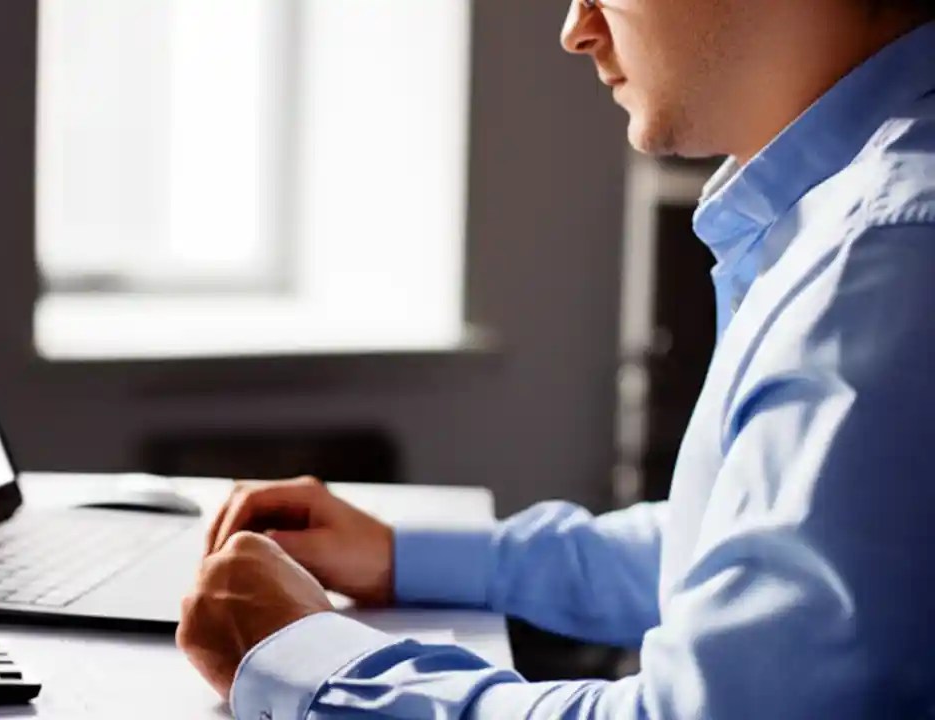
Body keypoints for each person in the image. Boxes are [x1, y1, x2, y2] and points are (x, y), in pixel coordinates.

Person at [177, 0, 935, 717]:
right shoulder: (858, 213)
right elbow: (740, 549)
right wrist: (402, 556)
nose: (576, 29)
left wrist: (304, 663)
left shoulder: (890, 255)